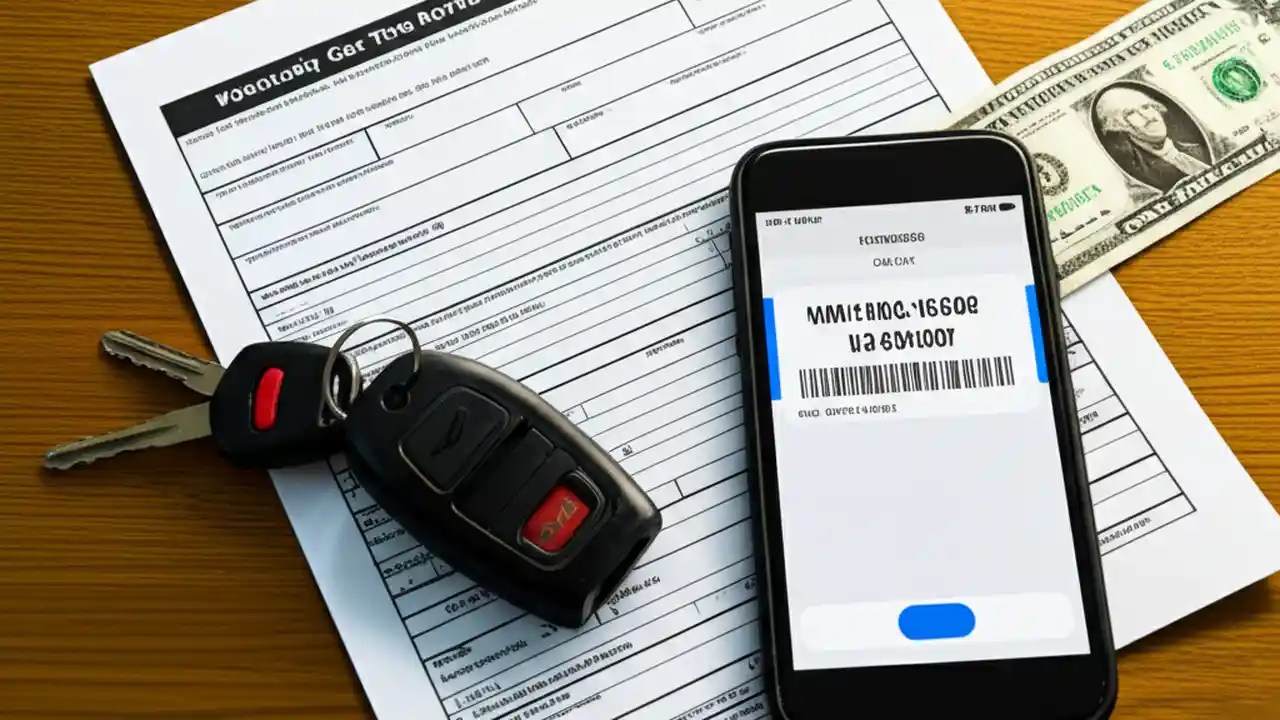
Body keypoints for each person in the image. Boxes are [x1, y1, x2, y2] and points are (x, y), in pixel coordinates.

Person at [1094, 86, 1211, 192]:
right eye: (1131, 113)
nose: (1148, 116)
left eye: (1146, 107)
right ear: (1117, 125)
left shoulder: (1197, 150)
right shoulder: (1138, 174)